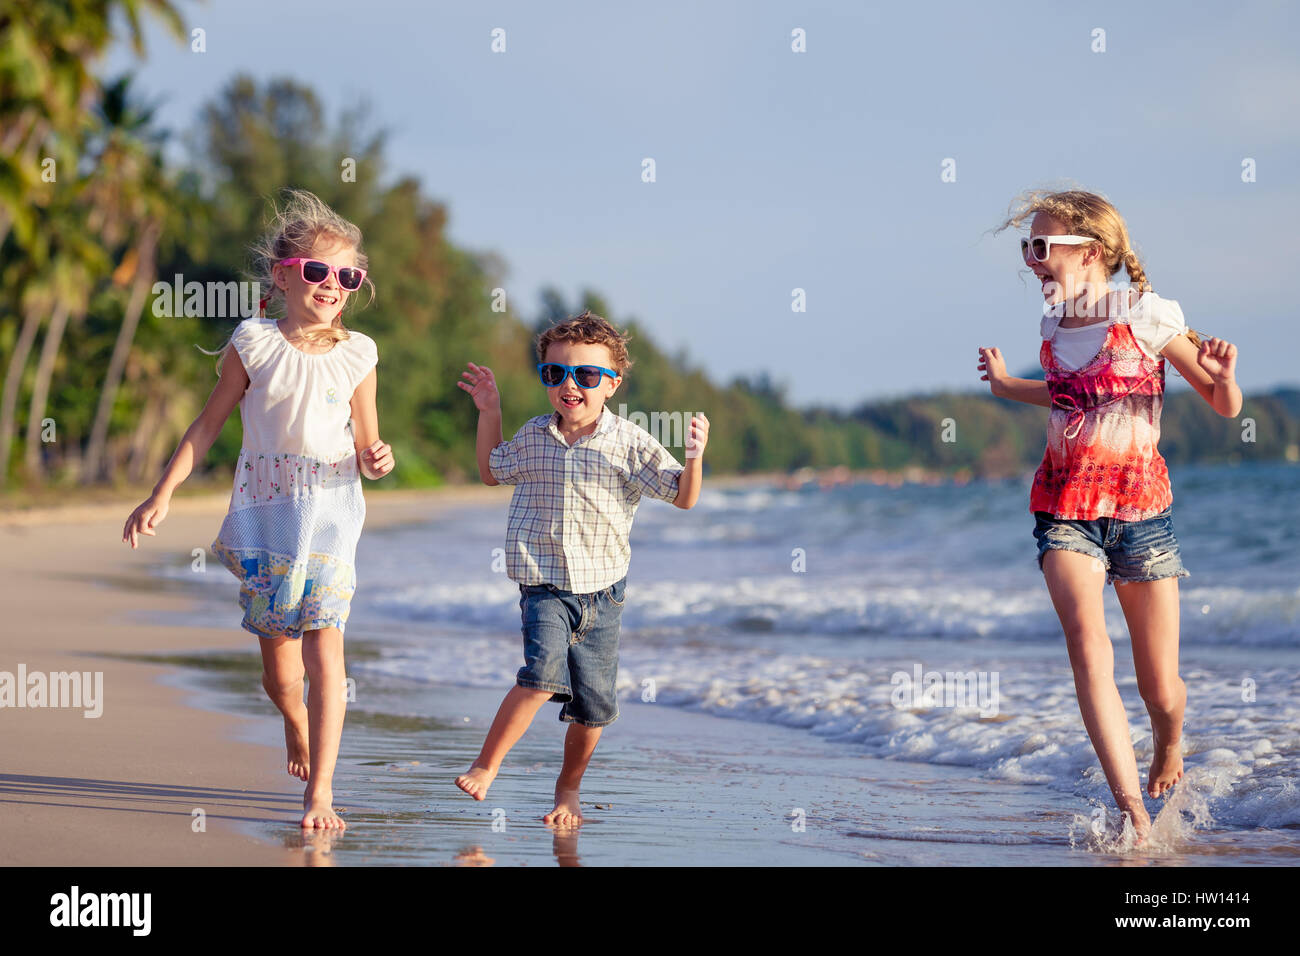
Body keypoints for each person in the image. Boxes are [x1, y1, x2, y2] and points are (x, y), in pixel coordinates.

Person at [123, 189, 394, 829]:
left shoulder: (360, 354)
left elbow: (367, 444)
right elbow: (208, 424)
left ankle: (321, 789)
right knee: (280, 671)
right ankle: (293, 720)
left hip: (331, 513)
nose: (332, 285)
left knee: (328, 650)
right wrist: (161, 494)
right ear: (282, 275)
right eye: (318, 271)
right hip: (267, 511)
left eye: (347, 276)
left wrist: (378, 460)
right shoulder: (254, 343)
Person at [979, 188, 1242, 844]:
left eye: (1043, 247)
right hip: (1064, 508)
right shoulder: (1051, 328)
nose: (1032, 260)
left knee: (1161, 688)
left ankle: (1168, 739)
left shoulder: (1148, 315)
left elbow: (1221, 404)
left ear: (1091, 253)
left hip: (1141, 512)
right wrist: (1009, 385)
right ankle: (1131, 810)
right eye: (1027, 248)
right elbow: (1067, 393)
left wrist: (1226, 377)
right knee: (1087, 646)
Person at [454, 310, 708, 826]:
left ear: (611, 383)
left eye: (586, 375)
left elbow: (682, 497)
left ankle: (567, 789)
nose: (570, 385)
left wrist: (696, 457)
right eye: (555, 374)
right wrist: (490, 410)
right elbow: (489, 470)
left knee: (593, 708)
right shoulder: (532, 435)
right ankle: (486, 764)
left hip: (604, 595)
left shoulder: (630, 442)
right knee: (540, 679)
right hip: (543, 585)